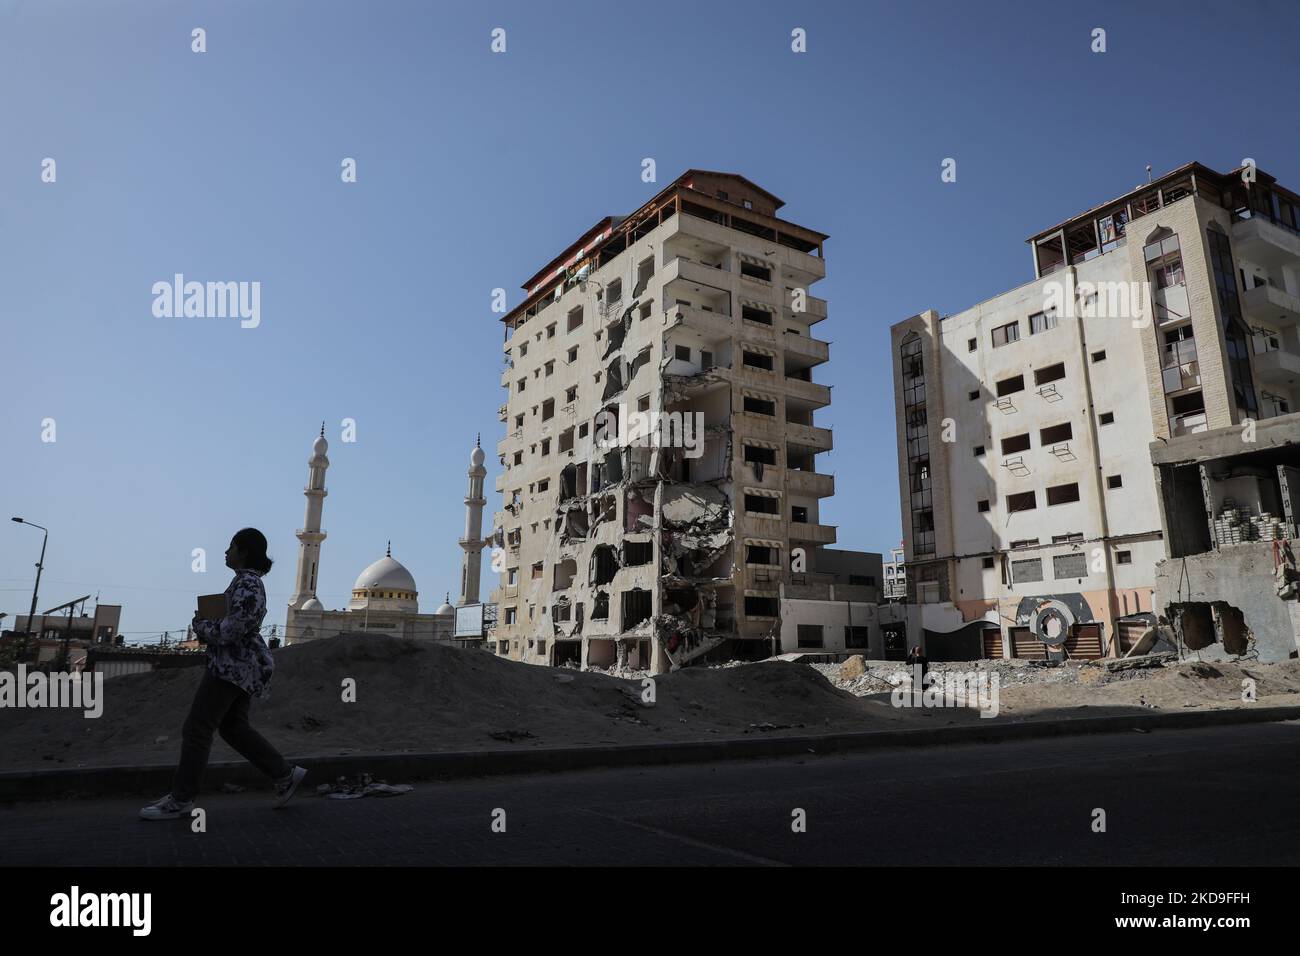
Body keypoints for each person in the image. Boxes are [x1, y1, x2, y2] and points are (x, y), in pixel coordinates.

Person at [140, 528, 306, 820]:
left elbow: (231, 630)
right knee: (232, 727)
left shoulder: (249, 585)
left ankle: (182, 799)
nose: (226, 552)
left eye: (231, 547)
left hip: (232, 668)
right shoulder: (244, 583)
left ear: (243, 552)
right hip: (238, 667)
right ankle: (284, 774)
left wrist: (201, 626)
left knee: (197, 728)